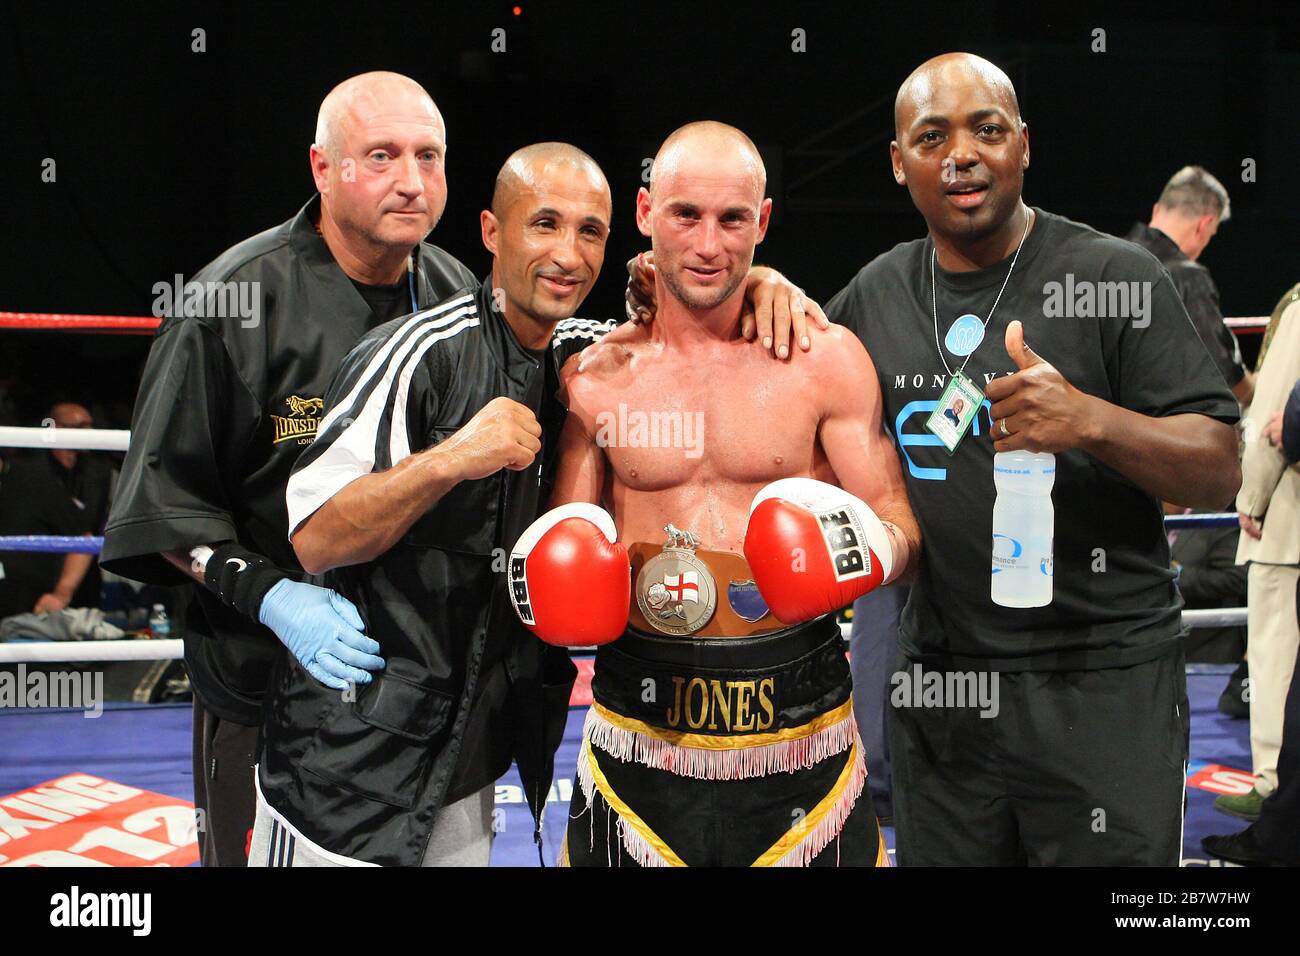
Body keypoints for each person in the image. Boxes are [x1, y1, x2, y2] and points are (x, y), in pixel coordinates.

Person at [824, 53, 1240, 865]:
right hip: (941, 685)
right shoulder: (875, 294)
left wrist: (1090, 421)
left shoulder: (1114, 276)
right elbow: (787, 391)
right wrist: (766, 287)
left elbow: (1218, 465)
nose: (963, 154)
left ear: (1024, 144)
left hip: (1104, 683)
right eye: (932, 136)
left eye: (988, 129)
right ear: (898, 161)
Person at [100, 72, 477, 867]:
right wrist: (271, 596)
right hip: (264, 684)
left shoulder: (456, 296)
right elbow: (163, 508)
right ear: (322, 168)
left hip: (412, 689)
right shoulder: (227, 303)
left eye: (430, 157)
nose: (412, 181)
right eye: (381, 156)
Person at [535, 122, 920, 867]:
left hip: (803, 741)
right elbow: (568, 534)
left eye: (732, 219)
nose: (709, 245)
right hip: (639, 744)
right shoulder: (592, 377)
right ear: (645, 214)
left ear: (763, 222)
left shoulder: (824, 360)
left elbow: (899, 522)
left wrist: (861, 551)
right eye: (686, 215)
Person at [1204, 372, 1300, 865]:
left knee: (1283, 677)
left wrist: (1251, 496)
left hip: (1286, 525)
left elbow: (1278, 418)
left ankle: (1275, 804)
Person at [1126, 167, 1253, 405]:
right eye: (1211, 235)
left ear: (1156, 210)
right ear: (1204, 225)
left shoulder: (1103, 260)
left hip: (1096, 423)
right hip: (1156, 429)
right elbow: (1223, 374)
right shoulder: (1187, 277)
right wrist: (1259, 394)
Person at [0, 403, 112, 618]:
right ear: (54, 427)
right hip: (28, 586)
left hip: (79, 581)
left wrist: (62, 593)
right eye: (79, 427)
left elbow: (85, 534)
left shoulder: (97, 472)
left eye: (90, 427)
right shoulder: (30, 472)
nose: (87, 434)